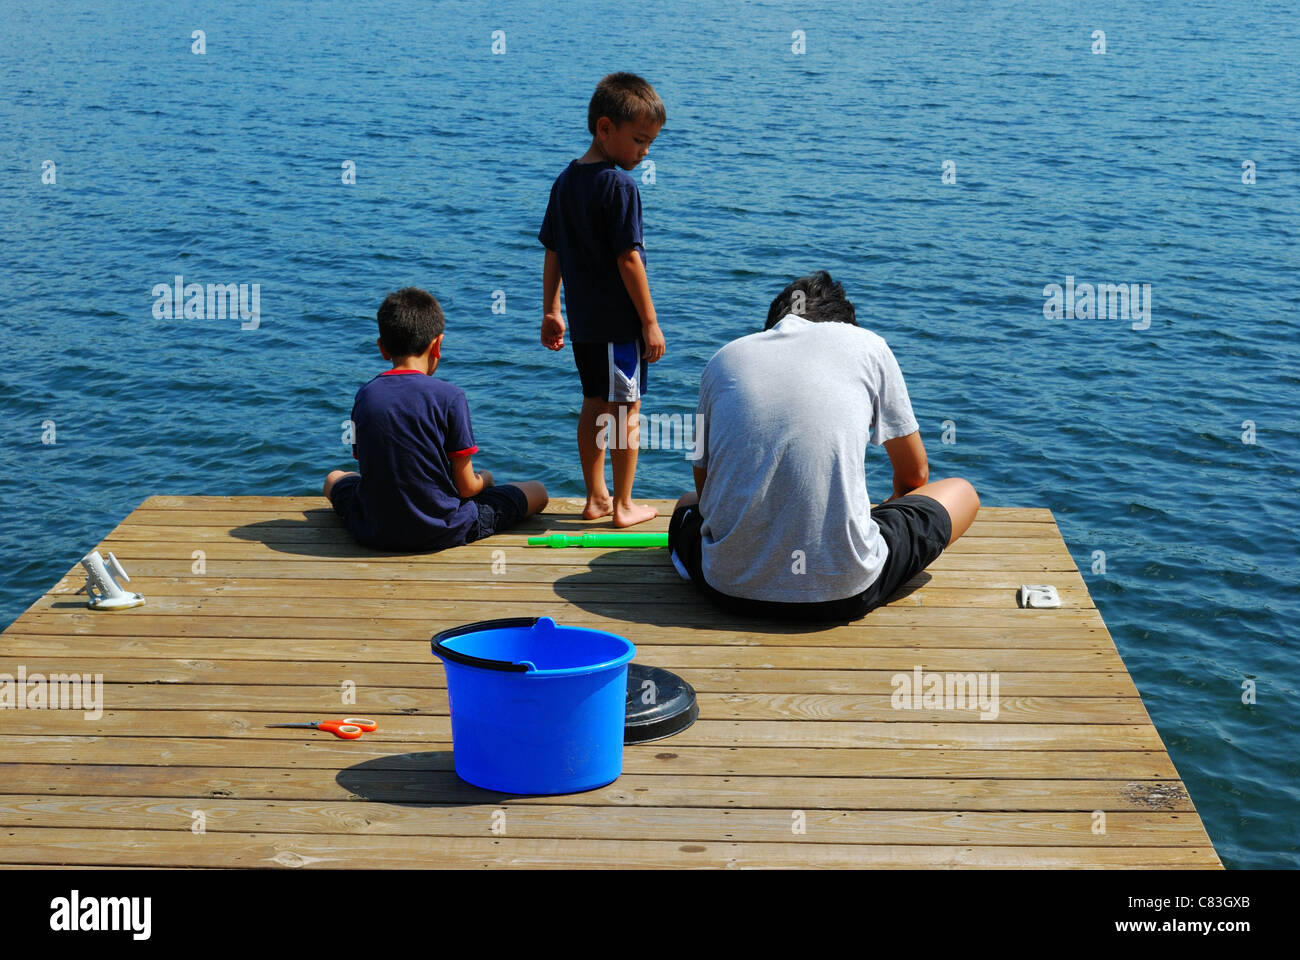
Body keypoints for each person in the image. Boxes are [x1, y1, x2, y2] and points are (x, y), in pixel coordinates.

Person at [668, 271, 980, 621]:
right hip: (846, 592)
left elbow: (707, 493)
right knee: (962, 491)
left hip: (727, 589)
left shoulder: (723, 359)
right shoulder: (869, 346)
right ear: (846, 324)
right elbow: (915, 475)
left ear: (772, 326)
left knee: (687, 503)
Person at [538, 71, 667, 527]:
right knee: (626, 410)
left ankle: (596, 498)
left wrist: (552, 310)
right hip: (618, 325)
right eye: (638, 140)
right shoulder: (619, 187)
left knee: (595, 403)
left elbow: (552, 249)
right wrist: (650, 322)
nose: (644, 152)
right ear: (604, 128)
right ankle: (623, 505)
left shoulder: (565, 181)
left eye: (650, 142)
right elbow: (629, 260)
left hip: (586, 324)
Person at [324, 287, 547, 550]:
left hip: (373, 529)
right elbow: (466, 488)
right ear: (437, 345)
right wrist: (485, 479)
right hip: (442, 530)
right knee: (538, 492)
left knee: (334, 477)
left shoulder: (366, 395)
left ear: (382, 348)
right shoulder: (450, 397)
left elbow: (371, 468)